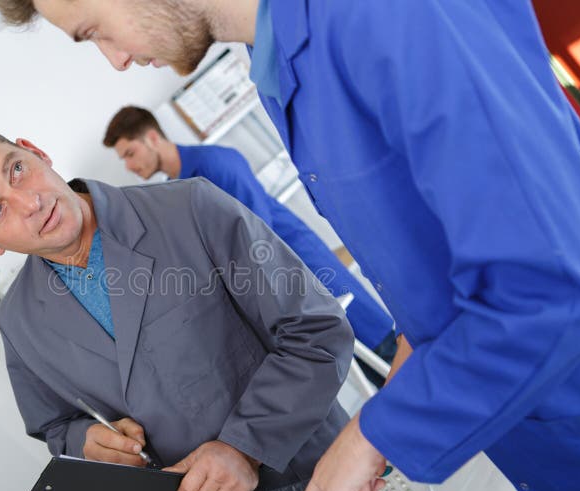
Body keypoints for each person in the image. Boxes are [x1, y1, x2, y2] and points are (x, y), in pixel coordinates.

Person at [0, 1, 580, 491]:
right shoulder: (284, 78)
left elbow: (544, 290)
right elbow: (450, 252)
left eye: (95, 30)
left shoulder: (382, 15)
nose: (115, 62)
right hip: (540, 437)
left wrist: (376, 431)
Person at [0, 124, 356, 491]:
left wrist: (245, 448)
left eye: (16, 170)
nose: (29, 202)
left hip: (312, 478)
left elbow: (316, 331)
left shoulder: (189, 208)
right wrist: (87, 441)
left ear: (36, 151)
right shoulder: (18, 323)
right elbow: (54, 425)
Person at [103, 105, 398, 383]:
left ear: (153, 138)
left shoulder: (215, 163)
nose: (129, 166)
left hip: (304, 268)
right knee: (359, 369)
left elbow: (259, 232)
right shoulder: (175, 192)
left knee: (386, 356)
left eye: (130, 153)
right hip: (283, 290)